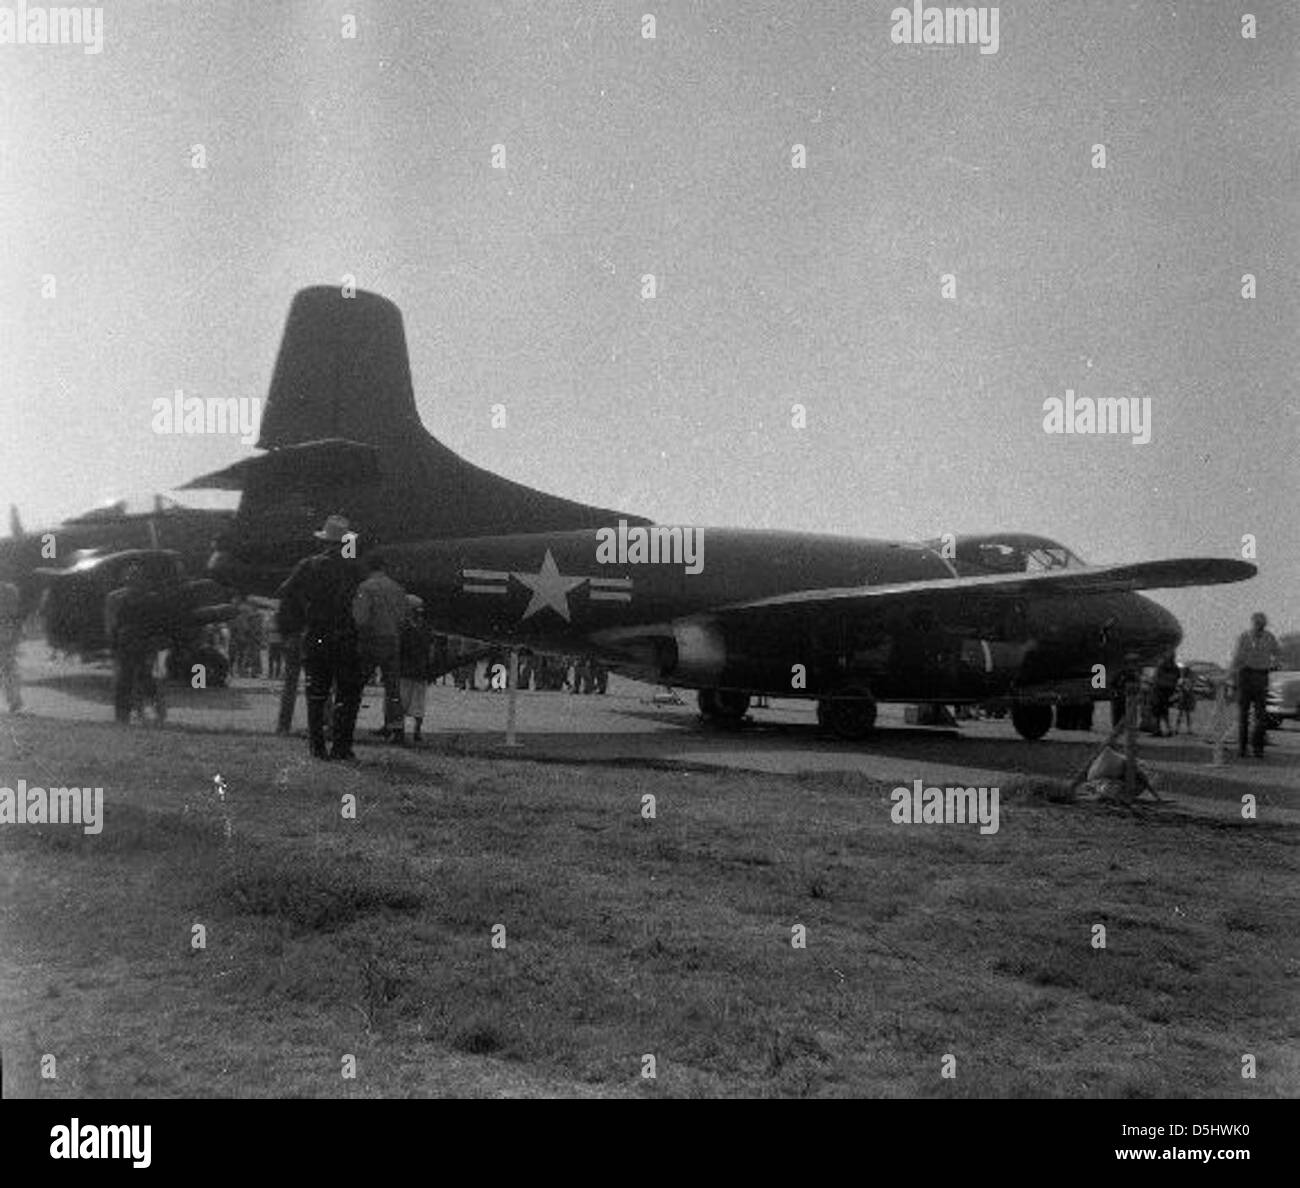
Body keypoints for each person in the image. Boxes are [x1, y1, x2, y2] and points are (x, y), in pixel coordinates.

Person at [277, 515, 365, 760]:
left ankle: (317, 748)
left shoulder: (308, 565)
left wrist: (300, 617)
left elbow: (285, 591)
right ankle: (342, 747)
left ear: (324, 541)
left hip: (315, 634)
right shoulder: (355, 568)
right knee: (348, 694)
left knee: (316, 694)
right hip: (345, 636)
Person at [353, 551, 409, 740]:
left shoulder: (365, 587)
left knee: (357, 684)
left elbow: (361, 618)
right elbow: (403, 618)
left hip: (371, 641)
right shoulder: (397, 588)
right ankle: (396, 727)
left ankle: (347, 722)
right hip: (393, 640)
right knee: (393, 687)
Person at [105, 563, 169, 725]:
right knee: (135, 679)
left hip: (136, 642)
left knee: (138, 679)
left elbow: (117, 625)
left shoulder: (128, 599)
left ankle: (136, 713)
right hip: (134, 643)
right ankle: (138, 713)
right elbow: (117, 624)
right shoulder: (139, 599)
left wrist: (114, 643)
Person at [1230, 611, 1281, 758]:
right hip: (1245, 676)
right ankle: (1243, 748)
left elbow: (1278, 654)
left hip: (1260, 677)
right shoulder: (1244, 637)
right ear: (1252, 623)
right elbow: (1236, 658)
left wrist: (1272, 665)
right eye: (1257, 623)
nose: (1259, 626)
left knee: (1260, 716)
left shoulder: (1269, 637)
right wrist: (1231, 679)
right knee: (1244, 716)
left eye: (1261, 623)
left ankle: (1257, 748)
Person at [398, 595, 433, 744]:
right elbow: (430, 650)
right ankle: (416, 732)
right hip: (419, 670)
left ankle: (401, 732)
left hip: (407, 670)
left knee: (403, 702)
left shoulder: (403, 628)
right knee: (417, 704)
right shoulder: (425, 628)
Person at [0, 580, 23, 714]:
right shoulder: (11, 589)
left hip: (6, 632)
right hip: (7, 631)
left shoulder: (10, 590)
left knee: (7, 667)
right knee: (8, 667)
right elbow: (15, 613)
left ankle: (14, 699)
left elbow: (14, 613)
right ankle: (14, 699)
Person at [1151, 652, 1180, 737]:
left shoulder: (1161, 667)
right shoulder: (1174, 668)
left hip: (1159, 691)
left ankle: (1158, 729)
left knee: (1157, 711)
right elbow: (1177, 678)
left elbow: (1156, 678)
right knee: (1164, 711)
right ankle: (1166, 729)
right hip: (1167, 692)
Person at [1174, 666, 1197, 735]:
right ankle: (1188, 729)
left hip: (1184, 698)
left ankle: (1177, 728)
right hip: (1186, 698)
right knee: (1186, 715)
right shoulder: (1187, 680)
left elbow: (1181, 688)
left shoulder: (1183, 680)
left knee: (1182, 714)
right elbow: (1188, 688)